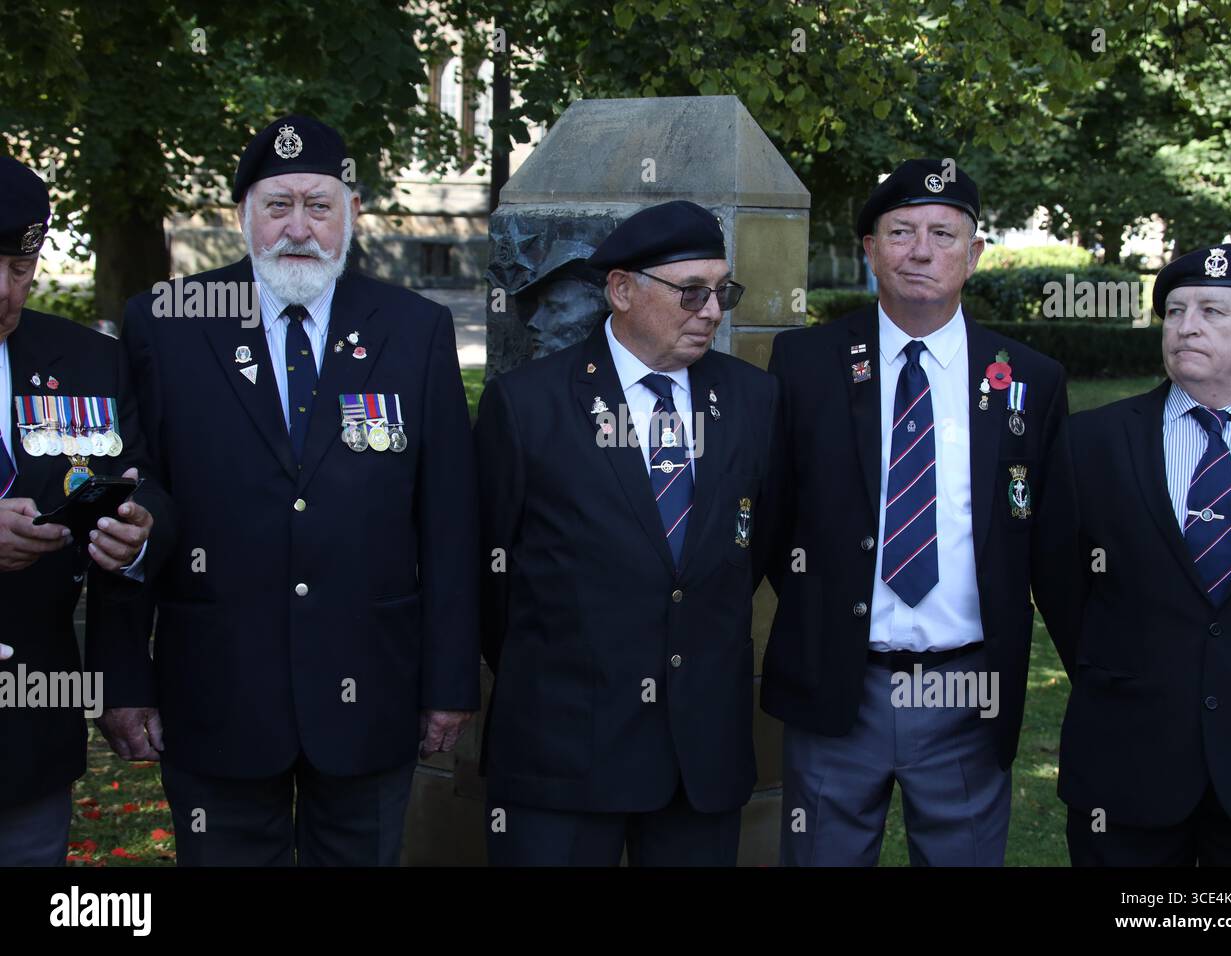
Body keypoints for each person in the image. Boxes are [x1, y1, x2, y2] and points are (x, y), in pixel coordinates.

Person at [106, 114, 480, 866]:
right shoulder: (165, 324)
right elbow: (131, 507)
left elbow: (448, 520)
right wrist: (121, 679)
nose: (299, 228)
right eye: (278, 206)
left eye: (320, 205)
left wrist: (448, 680)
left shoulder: (416, 329)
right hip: (216, 693)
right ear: (243, 217)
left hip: (371, 692)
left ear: (352, 214)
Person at [761, 159, 1069, 865]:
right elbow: (776, 522)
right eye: (899, 231)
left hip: (966, 693)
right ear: (870, 248)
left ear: (976, 253)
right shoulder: (806, 364)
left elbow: (1046, 541)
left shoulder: (1030, 378)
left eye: (942, 232)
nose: (920, 250)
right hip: (840, 687)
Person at [476, 200, 779, 865]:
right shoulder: (528, 405)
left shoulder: (754, 401)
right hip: (564, 746)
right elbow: (488, 575)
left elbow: (747, 550)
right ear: (621, 290)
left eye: (722, 290)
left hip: (697, 757)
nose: (711, 310)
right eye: (691, 291)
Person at [1039, 243, 1231, 865]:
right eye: (1175, 311)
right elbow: (1060, 584)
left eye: (1212, 311)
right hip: (1127, 761)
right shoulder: (1091, 442)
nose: (1186, 326)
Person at [0, 156, 167, 865]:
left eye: (17, 264)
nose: (1, 289)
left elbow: (142, 484)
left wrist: (136, 534)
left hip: (27, 737)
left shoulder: (84, 362)